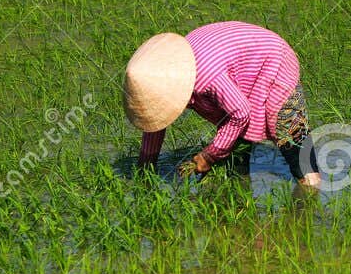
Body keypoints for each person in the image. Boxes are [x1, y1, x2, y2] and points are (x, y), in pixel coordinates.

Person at [123, 21, 320, 188]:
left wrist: (209, 155)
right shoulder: (169, 75)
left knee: (289, 133)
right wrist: (146, 167)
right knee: (236, 151)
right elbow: (157, 120)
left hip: (273, 57)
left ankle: (312, 193)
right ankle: (240, 208)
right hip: (240, 68)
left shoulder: (204, 77)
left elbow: (240, 113)